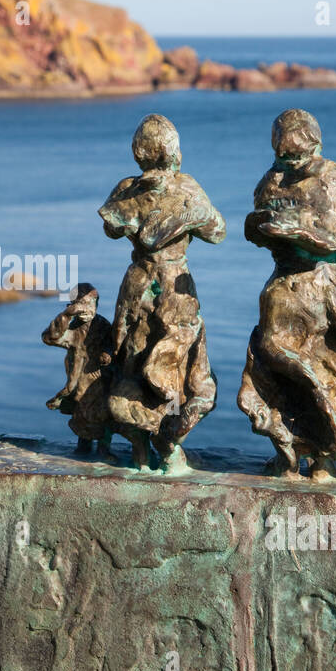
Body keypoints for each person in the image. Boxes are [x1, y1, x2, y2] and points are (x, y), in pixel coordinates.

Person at [238, 109, 336, 479]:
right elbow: (258, 215)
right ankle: (289, 452)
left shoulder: (335, 178)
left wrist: (317, 234)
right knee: (270, 370)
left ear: (315, 143)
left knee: (321, 363)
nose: (288, 164)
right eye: (282, 156)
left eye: (296, 156)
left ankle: (324, 453)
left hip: (316, 284)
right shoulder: (272, 180)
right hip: (281, 285)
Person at [99, 114, 225, 473]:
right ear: (173, 152)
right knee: (176, 367)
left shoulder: (126, 188)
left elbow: (112, 228)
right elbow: (217, 231)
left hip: (137, 282)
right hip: (173, 286)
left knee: (133, 361)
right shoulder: (185, 187)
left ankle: (141, 451)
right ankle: (167, 448)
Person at [42, 283, 114, 457]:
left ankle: (104, 449)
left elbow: (112, 342)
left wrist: (108, 353)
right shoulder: (72, 328)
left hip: (100, 377)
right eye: (82, 304)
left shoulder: (103, 324)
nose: (87, 309)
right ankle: (84, 446)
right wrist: (66, 315)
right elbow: (50, 337)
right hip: (80, 378)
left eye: (91, 303)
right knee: (82, 412)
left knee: (105, 413)